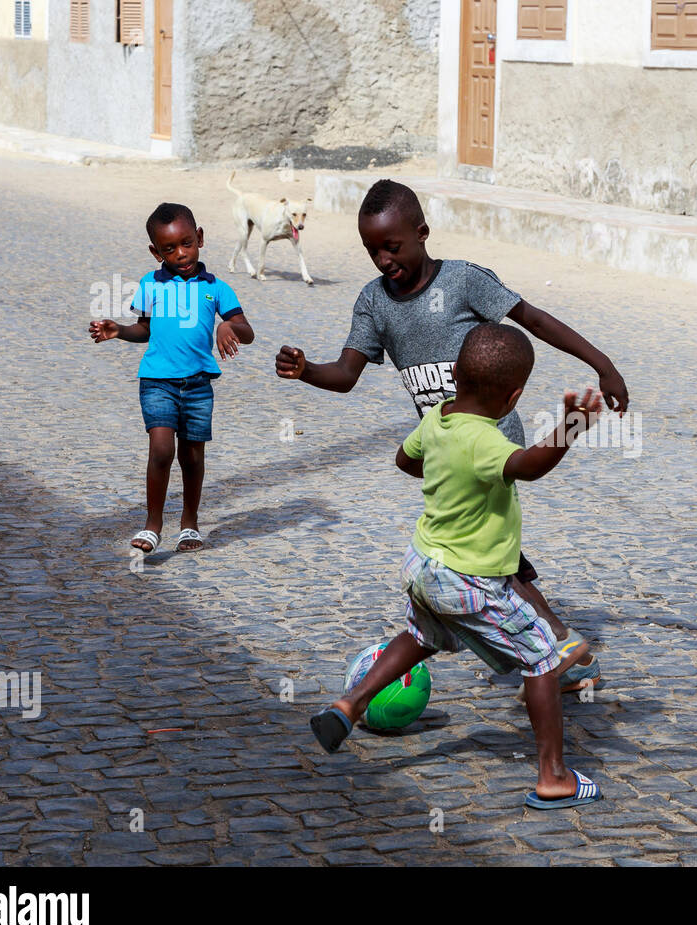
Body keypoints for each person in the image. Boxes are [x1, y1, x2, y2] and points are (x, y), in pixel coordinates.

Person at [276, 179, 629, 688]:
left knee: (475, 560)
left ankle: (556, 644)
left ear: (421, 233)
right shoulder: (373, 303)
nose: (382, 259)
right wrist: (307, 369)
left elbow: (533, 318)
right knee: (487, 560)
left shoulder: (463, 282)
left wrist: (602, 363)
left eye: (391, 246)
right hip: (440, 448)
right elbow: (347, 374)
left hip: (491, 443)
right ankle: (561, 656)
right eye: (371, 250)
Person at [311, 323, 604, 809]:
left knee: (423, 637)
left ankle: (351, 702)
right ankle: (554, 776)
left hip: (423, 563)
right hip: (469, 579)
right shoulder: (484, 441)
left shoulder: (439, 418)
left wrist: (446, 468)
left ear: (454, 376)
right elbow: (529, 466)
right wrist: (570, 424)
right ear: (513, 397)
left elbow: (405, 461)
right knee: (542, 660)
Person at [89, 203, 253, 553]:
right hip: (157, 381)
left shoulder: (216, 287)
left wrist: (226, 325)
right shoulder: (150, 284)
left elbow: (246, 330)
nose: (181, 254)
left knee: (192, 457)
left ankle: (190, 524)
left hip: (198, 385)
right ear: (155, 252)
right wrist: (119, 330)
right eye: (169, 249)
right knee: (161, 449)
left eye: (187, 243)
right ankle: (152, 525)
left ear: (200, 238)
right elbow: (145, 330)